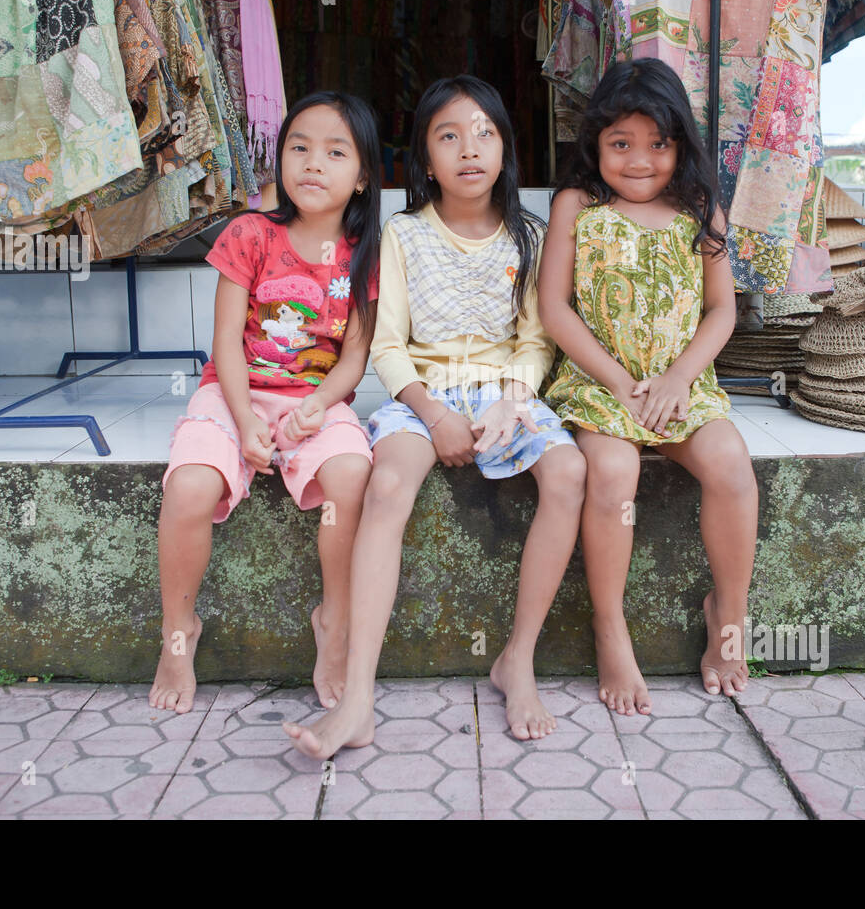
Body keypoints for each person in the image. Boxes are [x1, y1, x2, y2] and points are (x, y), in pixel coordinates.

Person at [284, 75, 587, 756]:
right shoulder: (403, 234)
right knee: (385, 484)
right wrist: (431, 411)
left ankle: (518, 659)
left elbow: (538, 339)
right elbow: (387, 344)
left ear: (506, 149)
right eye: (447, 135)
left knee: (568, 472)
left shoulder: (528, 236)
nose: (469, 149)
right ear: (424, 160)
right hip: (421, 392)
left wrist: (515, 397)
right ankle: (358, 695)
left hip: (507, 390)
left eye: (484, 132)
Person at [150, 92, 382, 714]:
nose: (313, 163)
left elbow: (354, 358)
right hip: (232, 393)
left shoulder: (363, 256)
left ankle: (334, 621)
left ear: (362, 176)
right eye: (299, 147)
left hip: (317, 398)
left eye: (336, 153)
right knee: (191, 487)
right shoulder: (249, 234)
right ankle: (179, 633)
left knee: (351, 475)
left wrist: (318, 406)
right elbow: (226, 339)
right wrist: (246, 417)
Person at [539, 58, 759, 711]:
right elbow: (554, 308)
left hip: (681, 387)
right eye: (621, 144)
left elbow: (723, 309)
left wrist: (677, 378)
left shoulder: (700, 208)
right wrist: (621, 382)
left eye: (658, 145)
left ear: (680, 144)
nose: (639, 160)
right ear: (595, 145)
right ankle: (611, 630)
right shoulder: (577, 205)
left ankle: (731, 615)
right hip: (598, 384)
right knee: (611, 476)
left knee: (731, 464)